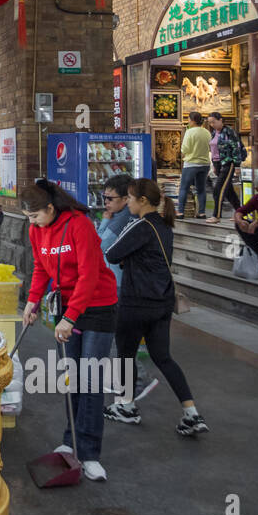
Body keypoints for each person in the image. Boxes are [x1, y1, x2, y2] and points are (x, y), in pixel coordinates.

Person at [20, 179, 118, 482]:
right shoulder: (37, 230)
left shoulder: (79, 224)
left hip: (98, 306)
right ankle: (70, 439)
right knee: (72, 377)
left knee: (90, 379)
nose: (33, 223)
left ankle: (89, 453)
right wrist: (32, 301)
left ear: (50, 207)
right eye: (28, 219)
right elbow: (39, 266)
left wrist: (71, 317)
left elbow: (90, 274)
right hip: (67, 306)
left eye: (36, 216)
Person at [103, 178, 208, 436]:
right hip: (162, 302)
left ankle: (126, 406)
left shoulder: (140, 225)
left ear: (143, 201)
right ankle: (191, 412)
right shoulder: (164, 226)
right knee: (163, 357)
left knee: (125, 356)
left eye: (129, 198)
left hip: (136, 302)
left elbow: (112, 253)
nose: (127, 202)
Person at [98, 173, 156, 404]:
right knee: (119, 337)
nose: (106, 203)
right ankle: (127, 383)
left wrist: (103, 221)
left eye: (110, 198)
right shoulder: (122, 217)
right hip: (120, 283)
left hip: (120, 285)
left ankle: (137, 382)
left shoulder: (123, 219)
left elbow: (101, 245)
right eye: (104, 197)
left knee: (118, 337)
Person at [204, 112, 244, 224]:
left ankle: (216, 216)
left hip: (228, 163)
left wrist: (237, 165)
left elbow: (236, 148)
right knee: (229, 191)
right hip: (218, 164)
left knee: (218, 189)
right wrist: (214, 165)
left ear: (220, 120)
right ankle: (240, 213)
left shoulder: (229, 132)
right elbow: (213, 150)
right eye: (210, 122)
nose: (212, 124)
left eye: (214, 122)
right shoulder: (213, 133)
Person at [177, 111, 212, 219]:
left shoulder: (190, 132)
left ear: (192, 120)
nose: (188, 122)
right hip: (205, 164)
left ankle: (180, 212)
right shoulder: (207, 132)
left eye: (188, 119)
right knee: (201, 189)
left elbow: (185, 148)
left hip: (191, 163)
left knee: (184, 188)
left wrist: (182, 154)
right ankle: (201, 213)